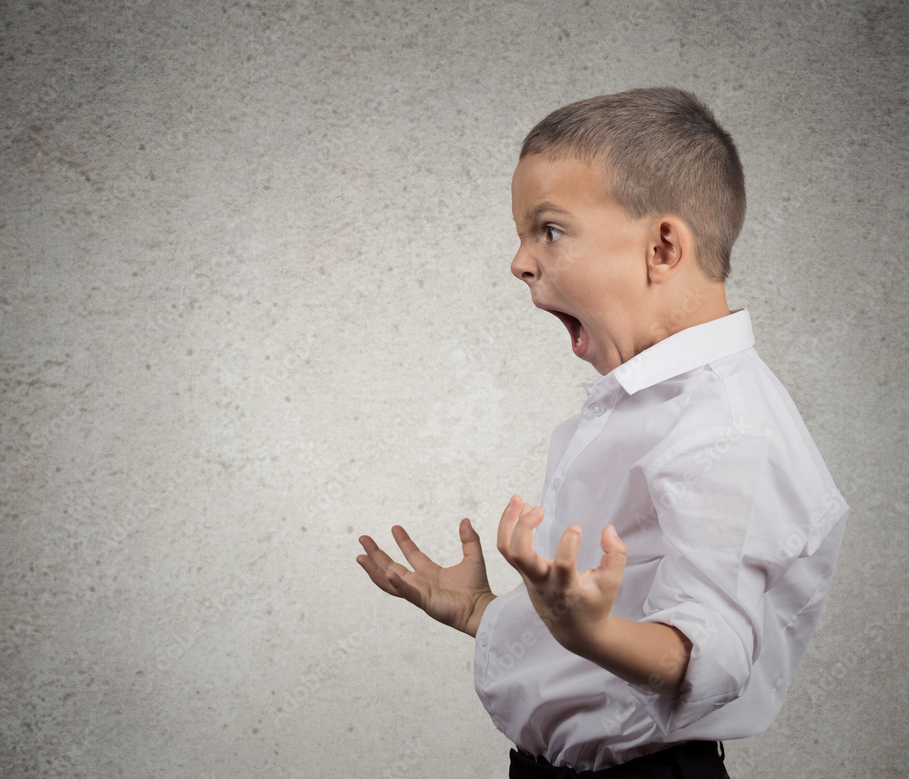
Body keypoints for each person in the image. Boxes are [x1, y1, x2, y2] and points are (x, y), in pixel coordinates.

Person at [356, 87, 847, 778]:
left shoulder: (726, 431)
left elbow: (715, 652)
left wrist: (592, 630)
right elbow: (597, 638)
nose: (519, 262)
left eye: (549, 230)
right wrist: (481, 611)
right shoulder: (639, 401)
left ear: (662, 248)